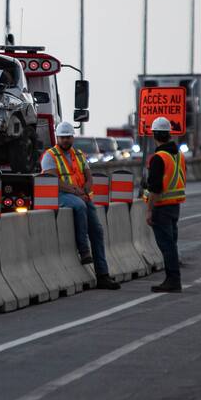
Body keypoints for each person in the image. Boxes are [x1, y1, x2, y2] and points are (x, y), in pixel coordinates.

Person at [41, 121, 119, 290]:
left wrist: (86, 188)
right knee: (79, 206)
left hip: (80, 195)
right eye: (62, 138)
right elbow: (52, 180)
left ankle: (103, 275)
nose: (65, 140)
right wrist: (75, 191)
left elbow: (89, 176)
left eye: (68, 137)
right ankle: (84, 250)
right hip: (60, 195)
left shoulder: (79, 154)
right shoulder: (50, 155)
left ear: (72, 138)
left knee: (97, 231)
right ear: (57, 138)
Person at [143, 116, 186, 293]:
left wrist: (149, 211)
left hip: (161, 207)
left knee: (166, 245)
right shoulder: (178, 155)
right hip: (174, 206)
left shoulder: (159, 158)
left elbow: (155, 188)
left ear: (154, 135)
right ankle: (173, 279)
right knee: (171, 244)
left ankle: (173, 280)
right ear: (168, 134)